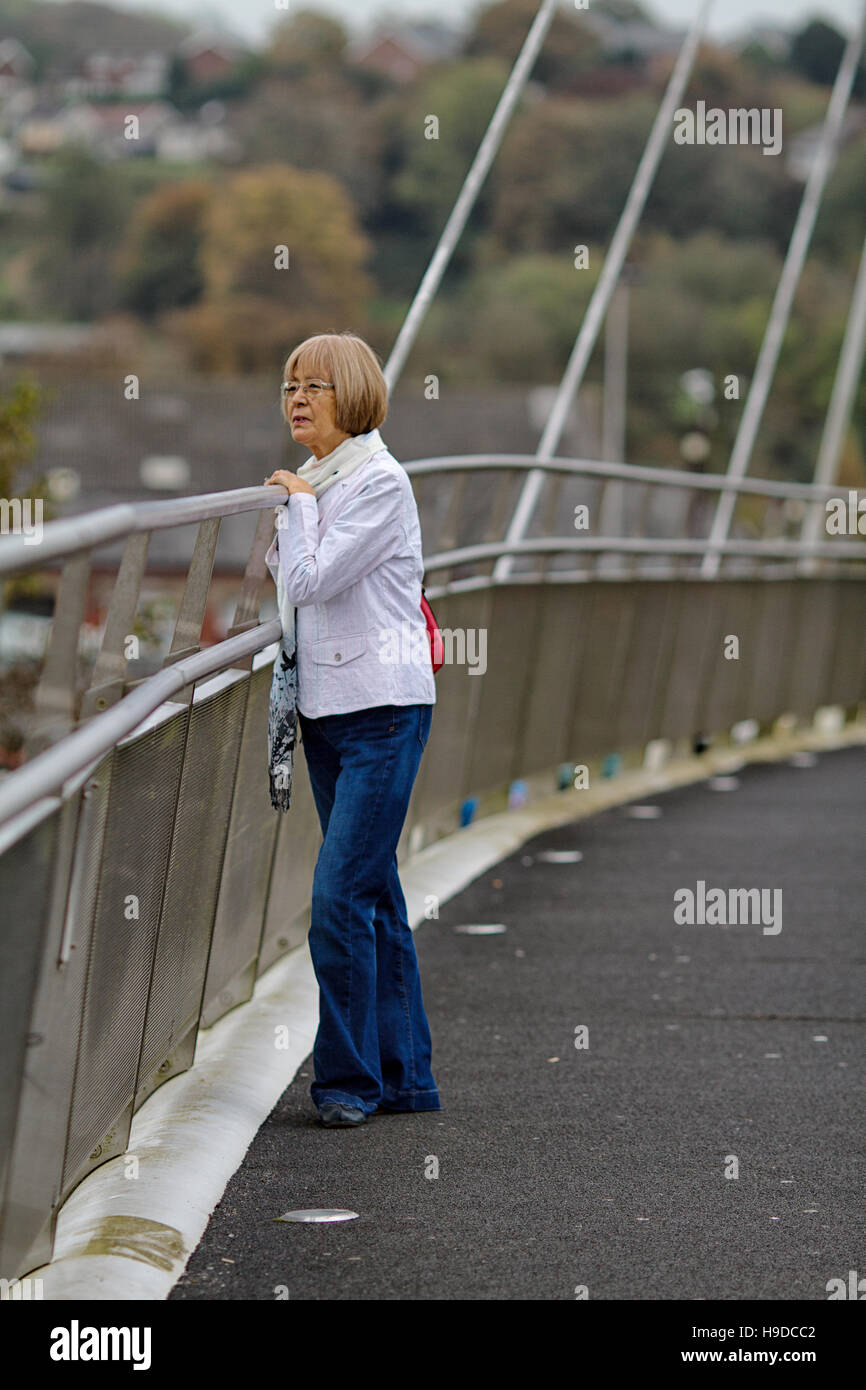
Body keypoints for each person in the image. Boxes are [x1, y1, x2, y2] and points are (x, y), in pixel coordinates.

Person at [264, 331, 441, 1128]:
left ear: (356, 396)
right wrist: (300, 501)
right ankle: (406, 1080)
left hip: (383, 711)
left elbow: (304, 578)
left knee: (338, 897)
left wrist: (298, 508)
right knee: (374, 898)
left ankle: (346, 1083)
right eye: (291, 386)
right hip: (328, 715)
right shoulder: (315, 480)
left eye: (316, 387)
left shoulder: (374, 484)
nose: (298, 399)